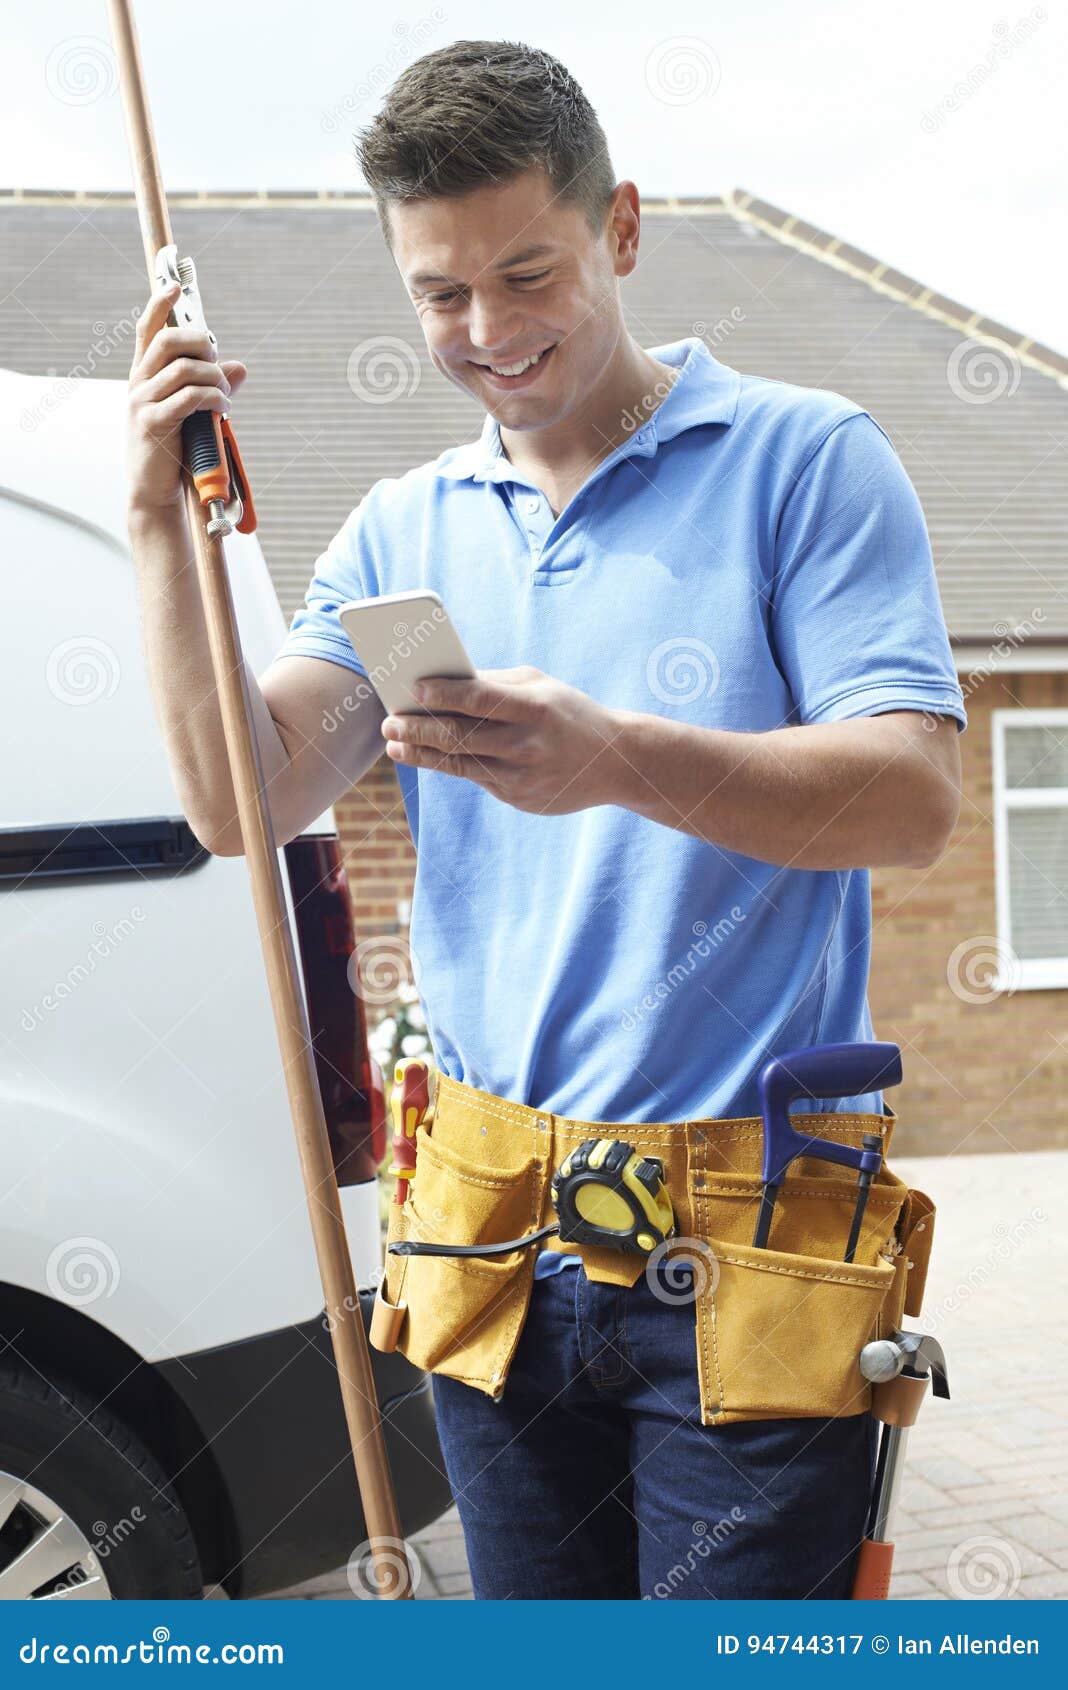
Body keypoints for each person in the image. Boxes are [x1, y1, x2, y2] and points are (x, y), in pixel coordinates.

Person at [125, 39, 965, 1600]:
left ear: (622, 229)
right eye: (442, 294)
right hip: (493, 1241)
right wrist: (156, 530)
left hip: (745, 1246)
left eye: (529, 273)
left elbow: (913, 798)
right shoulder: (402, 535)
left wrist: (621, 756)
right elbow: (240, 799)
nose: (490, 332)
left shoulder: (807, 464)